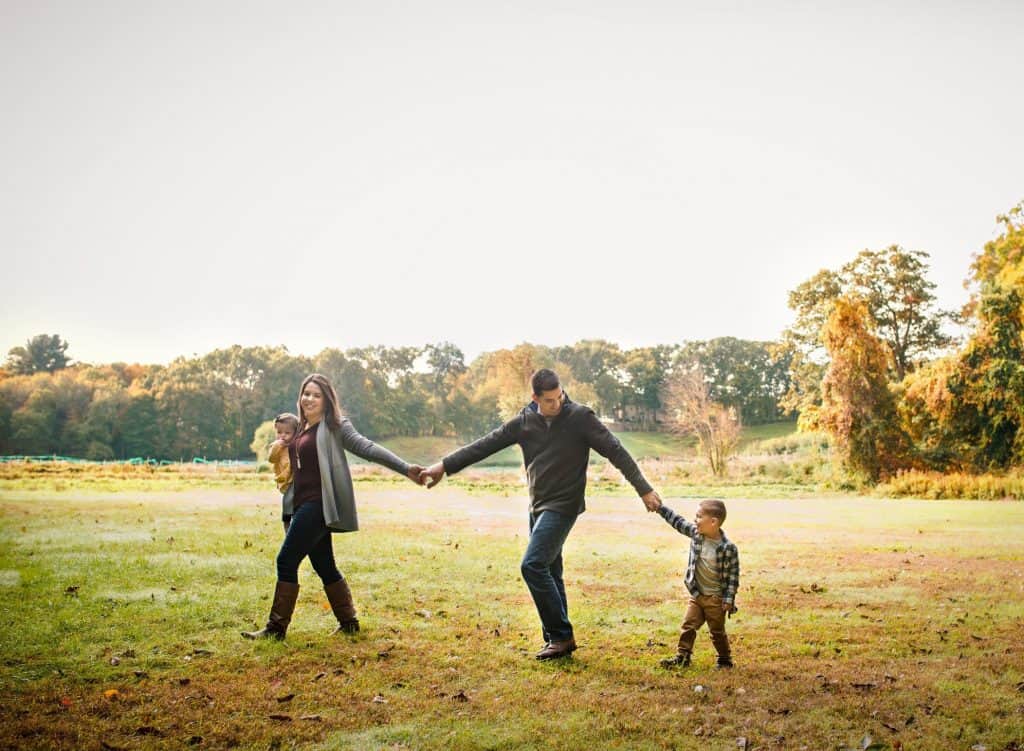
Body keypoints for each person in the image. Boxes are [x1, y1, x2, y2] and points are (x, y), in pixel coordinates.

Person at [419, 368, 662, 660]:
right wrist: (443, 466)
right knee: (550, 570)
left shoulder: (579, 418)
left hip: (564, 505)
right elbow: (483, 446)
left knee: (532, 565)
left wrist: (644, 489)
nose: (557, 404)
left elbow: (616, 451)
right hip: (538, 505)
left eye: (560, 397)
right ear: (535, 398)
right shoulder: (524, 422)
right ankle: (556, 640)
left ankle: (561, 636)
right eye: (549, 400)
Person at [242, 373, 425, 641]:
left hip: (318, 505)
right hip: (303, 504)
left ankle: (275, 629)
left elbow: (368, 447)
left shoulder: (335, 425)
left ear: (327, 400)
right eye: (306, 393)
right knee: (324, 563)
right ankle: (349, 622)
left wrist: (406, 468)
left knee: (286, 560)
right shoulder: (300, 429)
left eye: (317, 395)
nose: (310, 399)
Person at [650, 497, 739, 669]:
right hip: (697, 595)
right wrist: (660, 508)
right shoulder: (697, 535)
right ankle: (683, 657)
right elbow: (678, 522)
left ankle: (725, 660)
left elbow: (733, 577)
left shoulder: (728, 548)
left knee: (717, 632)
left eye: (698, 517)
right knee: (688, 625)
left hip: (715, 600)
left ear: (713, 522)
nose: (694, 520)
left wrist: (728, 599)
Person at [267, 412, 300, 533]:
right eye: (279, 432)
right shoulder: (277, 447)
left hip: (296, 478)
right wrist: (277, 447)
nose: (282, 436)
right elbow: (271, 459)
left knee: (291, 500)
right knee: (287, 500)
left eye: (287, 433)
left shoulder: (297, 444)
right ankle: (287, 524)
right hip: (285, 480)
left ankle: (291, 521)